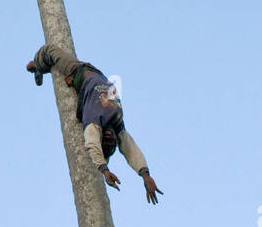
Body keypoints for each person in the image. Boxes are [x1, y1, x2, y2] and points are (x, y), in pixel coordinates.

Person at [26, 44, 163, 205]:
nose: (110, 136)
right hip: (98, 74)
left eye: (106, 139)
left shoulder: (94, 120)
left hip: (78, 72)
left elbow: (92, 144)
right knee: (55, 62)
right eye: (112, 140)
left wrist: (104, 171)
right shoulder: (117, 123)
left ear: (101, 134)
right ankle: (43, 68)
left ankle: (37, 67)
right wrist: (145, 175)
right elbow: (131, 149)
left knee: (50, 51)